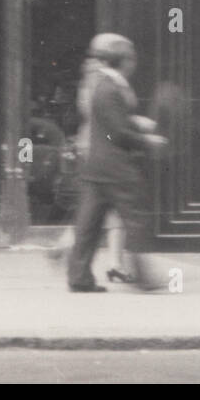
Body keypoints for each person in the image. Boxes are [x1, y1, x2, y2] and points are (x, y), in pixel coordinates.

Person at [66, 34, 166, 293]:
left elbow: (111, 123)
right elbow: (116, 132)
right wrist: (147, 141)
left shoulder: (103, 86)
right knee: (137, 219)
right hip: (116, 167)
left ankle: (79, 278)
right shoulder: (110, 88)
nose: (134, 63)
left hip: (97, 166)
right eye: (131, 58)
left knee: (88, 225)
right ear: (124, 61)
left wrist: (134, 123)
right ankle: (144, 278)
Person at [48, 56, 135, 283]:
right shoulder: (104, 88)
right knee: (109, 211)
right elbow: (114, 124)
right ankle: (115, 264)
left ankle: (66, 246)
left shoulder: (87, 88)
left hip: (89, 149)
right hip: (103, 152)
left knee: (94, 210)